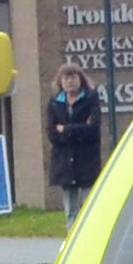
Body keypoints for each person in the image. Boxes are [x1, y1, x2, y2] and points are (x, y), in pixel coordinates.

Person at [46, 66, 106, 206]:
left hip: (87, 161)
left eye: (73, 77)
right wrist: (80, 130)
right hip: (64, 163)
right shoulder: (55, 102)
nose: (70, 81)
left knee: (89, 206)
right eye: (66, 78)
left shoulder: (91, 99)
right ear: (60, 81)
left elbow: (93, 130)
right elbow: (52, 134)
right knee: (71, 210)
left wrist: (66, 129)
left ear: (81, 79)